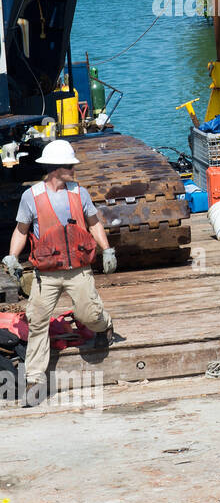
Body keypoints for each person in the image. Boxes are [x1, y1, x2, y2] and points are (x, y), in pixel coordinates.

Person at [3, 140, 116, 407]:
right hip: (47, 273)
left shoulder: (80, 194)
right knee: (38, 321)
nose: (74, 169)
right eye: (69, 166)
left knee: (88, 315)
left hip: (78, 269)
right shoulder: (31, 196)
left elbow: (94, 223)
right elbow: (21, 230)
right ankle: (35, 381)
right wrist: (12, 257)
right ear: (55, 169)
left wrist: (107, 249)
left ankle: (106, 324)